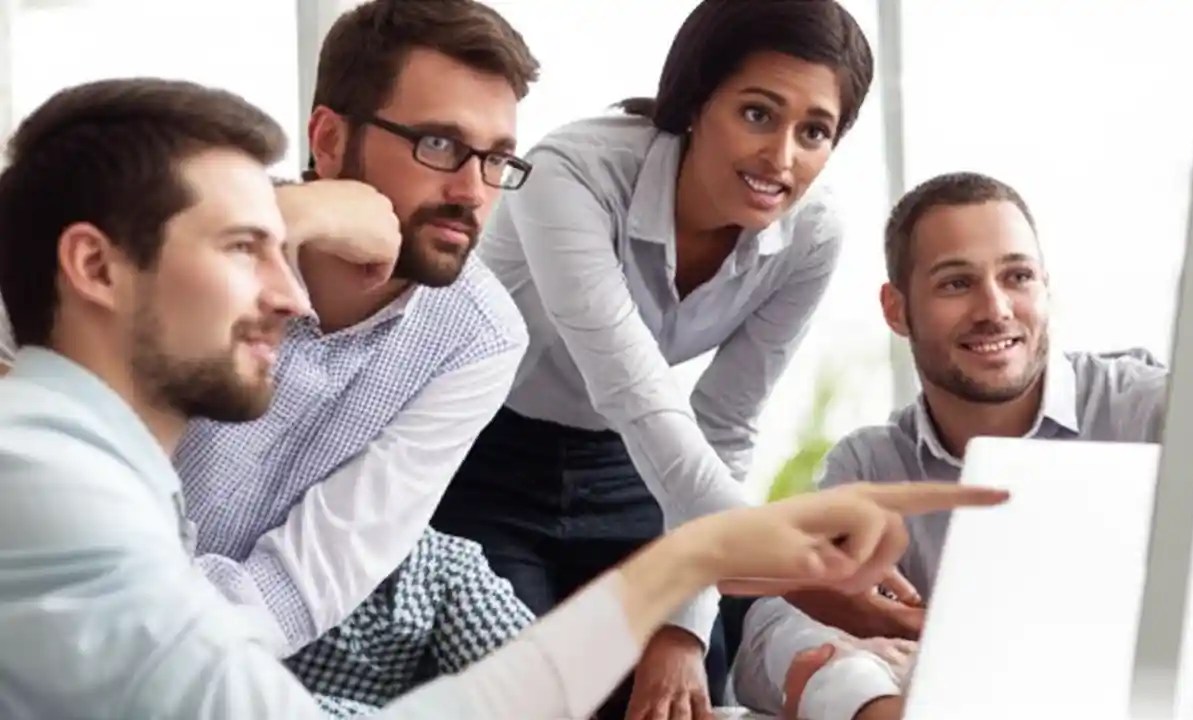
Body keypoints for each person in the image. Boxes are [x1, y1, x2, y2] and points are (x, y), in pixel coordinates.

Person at [0, 77, 1010, 718]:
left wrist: (694, 557)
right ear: (93, 265)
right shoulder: (49, 484)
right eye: (244, 246)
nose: (284, 291)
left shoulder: (88, 474)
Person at [431, 1, 874, 716]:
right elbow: (634, 393)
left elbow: (724, 426)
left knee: (689, 686)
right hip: (484, 458)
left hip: (631, 468)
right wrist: (795, 562)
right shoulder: (568, 175)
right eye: (758, 114)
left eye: (814, 131)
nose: (781, 158)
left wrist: (683, 627)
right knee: (530, 695)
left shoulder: (810, 236)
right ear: (697, 98)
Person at [732, 171, 1193, 720]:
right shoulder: (873, 467)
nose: (995, 308)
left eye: (1017, 276)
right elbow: (771, 627)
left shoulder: (1156, 415)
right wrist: (866, 699)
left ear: (1046, 287)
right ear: (897, 310)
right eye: (955, 283)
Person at [171, 0, 540, 711]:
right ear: (330, 139)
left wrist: (151, 657)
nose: (471, 192)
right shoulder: (190, 234)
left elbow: (307, 580)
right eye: (438, 144)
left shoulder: (481, 335)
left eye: (497, 159)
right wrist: (285, 223)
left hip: (199, 658)